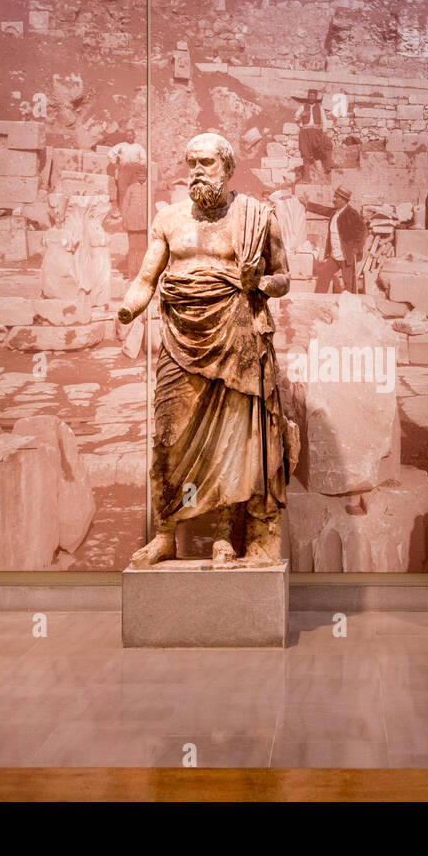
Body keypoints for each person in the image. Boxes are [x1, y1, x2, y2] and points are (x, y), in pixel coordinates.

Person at [116, 133, 292, 567]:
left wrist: (259, 284)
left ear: (228, 168)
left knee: (232, 442)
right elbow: (145, 279)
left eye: (207, 162)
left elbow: (284, 278)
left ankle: (223, 537)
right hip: (179, 341)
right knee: (167, 437)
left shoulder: (257, 217)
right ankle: (164, 534)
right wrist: (127, 308)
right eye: (191, 162)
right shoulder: (169, 220)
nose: (196, 170)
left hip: (235, 343)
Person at [313, 187, 365, 293]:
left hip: (347, 255)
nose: (334, 199)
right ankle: (319, 300)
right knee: (323, 275)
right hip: (335, 255)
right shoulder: (335, 212)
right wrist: (307, 204)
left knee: (348, 283)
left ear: (344, 200)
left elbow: (363, 232)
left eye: (336, 197)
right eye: (334, 197)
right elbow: (322, 210)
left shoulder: (352, 213)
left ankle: (350, 306)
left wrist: (357, 248)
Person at [294, 89, 333, 182]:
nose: (311, 97)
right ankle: (306, 178)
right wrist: (301, 116)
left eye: (313, 96)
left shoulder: (320, 108)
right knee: (305, 154)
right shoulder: (303, 107)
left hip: (316, 131)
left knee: (327, 145)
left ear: (316, 98)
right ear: (308, 97)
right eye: (310, 95)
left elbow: (324, 120)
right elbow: (295, 118)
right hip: (305, 132)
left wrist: (324, 131)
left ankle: (328, 167)